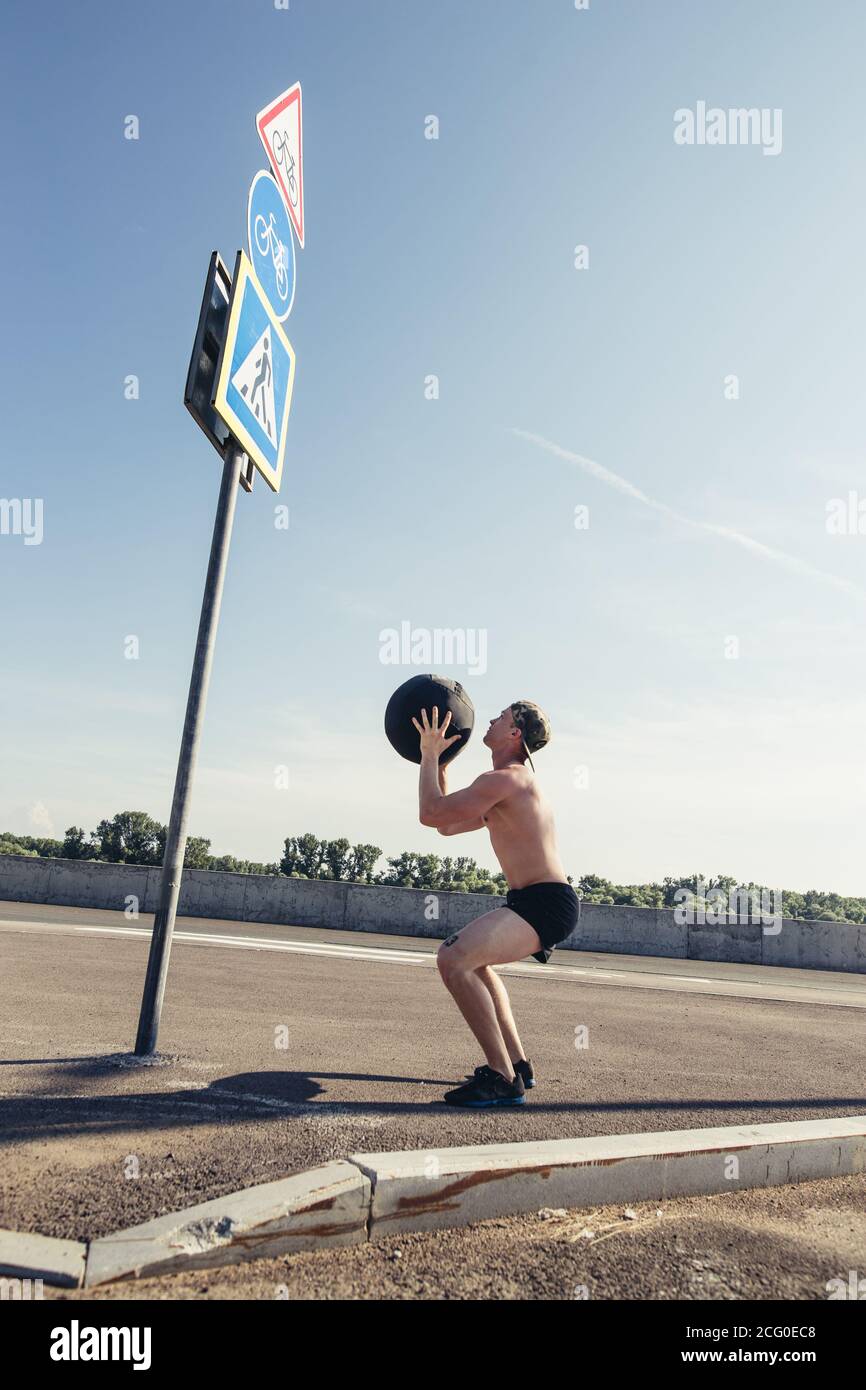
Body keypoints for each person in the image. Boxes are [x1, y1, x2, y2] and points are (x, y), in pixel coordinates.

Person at [412, 701, 580, 1107]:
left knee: (453, 960)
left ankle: (503, 1078)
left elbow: (430, 813)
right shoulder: (506, 785)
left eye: (501, 716)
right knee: (476, 965)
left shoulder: (506, 779)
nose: (490, 719)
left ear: (515, 733)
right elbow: (448, 826)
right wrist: (443, 767)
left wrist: (429, 755)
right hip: (534, 901)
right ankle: (518, 1065)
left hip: (544, 903)